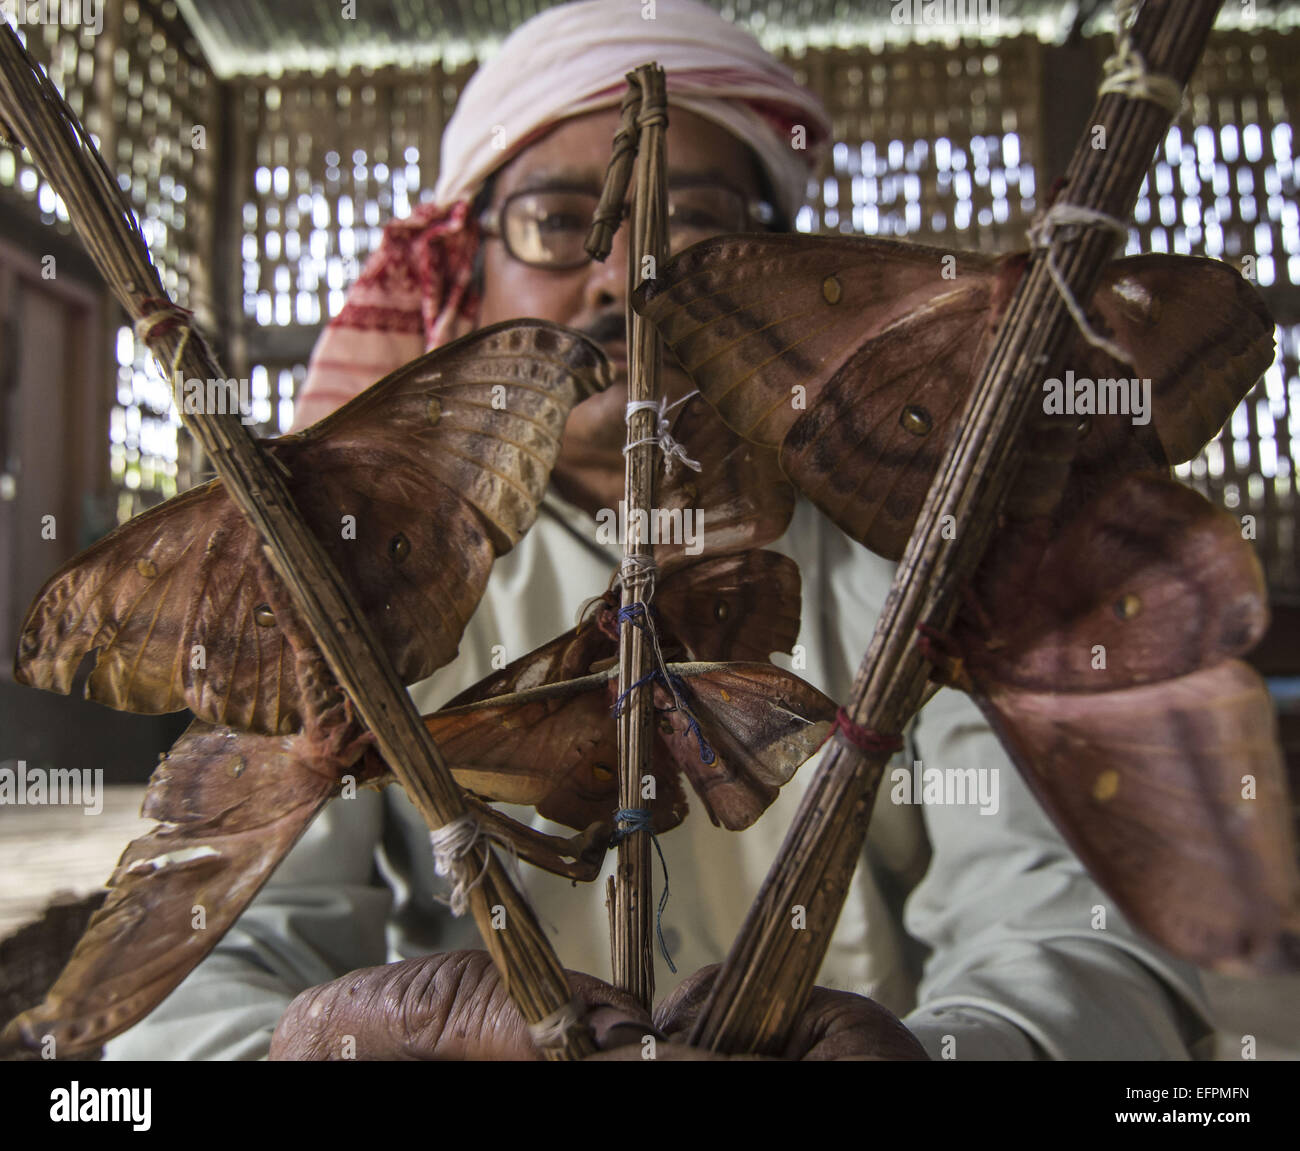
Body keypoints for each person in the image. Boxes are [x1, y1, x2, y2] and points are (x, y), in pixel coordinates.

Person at [105, 0, 1212, 1060]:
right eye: (554, 220)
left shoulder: (933, 556)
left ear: (767, 279)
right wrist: (317, 1047)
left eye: (691, 220)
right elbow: (209, 953)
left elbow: (1082, 929)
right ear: (464, 275)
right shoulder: (342, 585)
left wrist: (944, 1060)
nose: (623, 273)